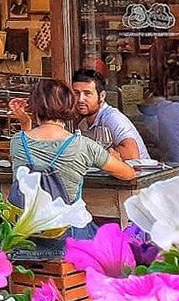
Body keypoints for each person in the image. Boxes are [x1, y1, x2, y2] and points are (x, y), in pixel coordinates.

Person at [10, 78, 137, 206]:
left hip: (26, 224)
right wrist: (116, 159)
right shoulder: (84, 145)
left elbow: (26, 140)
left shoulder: (17, 141)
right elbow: (128, 174)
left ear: (34, 107)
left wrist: (25, 122)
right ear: (70, 105)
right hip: (65, 224)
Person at [72, 69, 150, 161]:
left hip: (141, 174)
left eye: (87, 93)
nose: (80, 99)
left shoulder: (112, 118)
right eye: (76, 93)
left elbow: (132, 154)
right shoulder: (83, 125)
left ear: (102, 96)